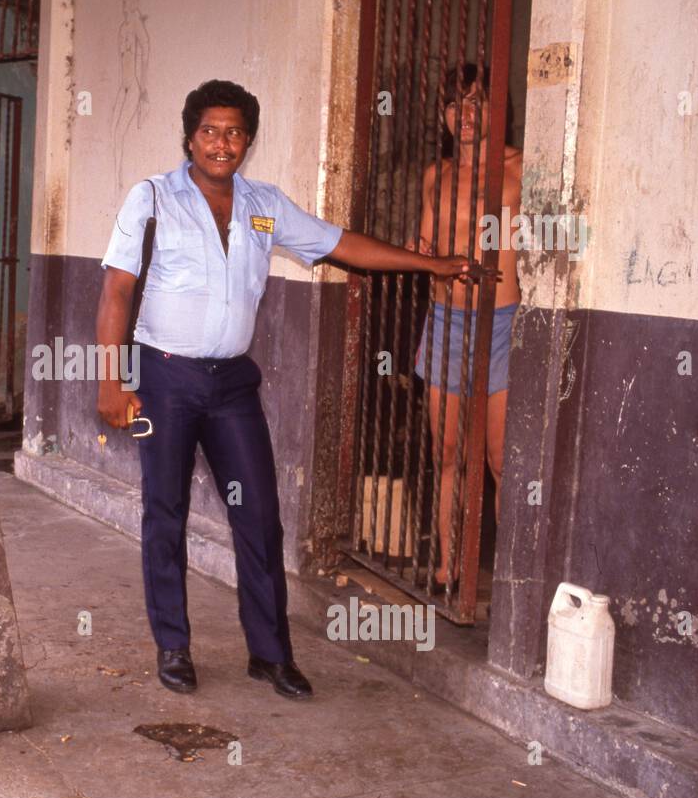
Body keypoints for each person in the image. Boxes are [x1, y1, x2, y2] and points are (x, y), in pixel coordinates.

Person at [95, 79, 480, 698]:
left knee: (260, 517)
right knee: (165, 513)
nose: (223, 144)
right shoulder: (152, 199)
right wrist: (111, 380)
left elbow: (339, 243)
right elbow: (116, 289)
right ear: (190, 137)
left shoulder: (263, 205)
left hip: (230, 386)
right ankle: (173, 646)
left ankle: (270, 654)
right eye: (211, 131)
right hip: (164, 377)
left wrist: (429, 264)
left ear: (248, 139)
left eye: (235, 132)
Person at [411, 63, 523, 594]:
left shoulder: (520, 169)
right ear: (444, 115)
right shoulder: (437, 174)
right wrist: (418, 254)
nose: (468, 114)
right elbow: (426, 246)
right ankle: (449, 567)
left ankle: (507, 580)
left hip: (499, 321)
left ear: (497, 109)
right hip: (445, 320)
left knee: (502, 458)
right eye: (457, 104)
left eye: (479, 102)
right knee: (449, 452)